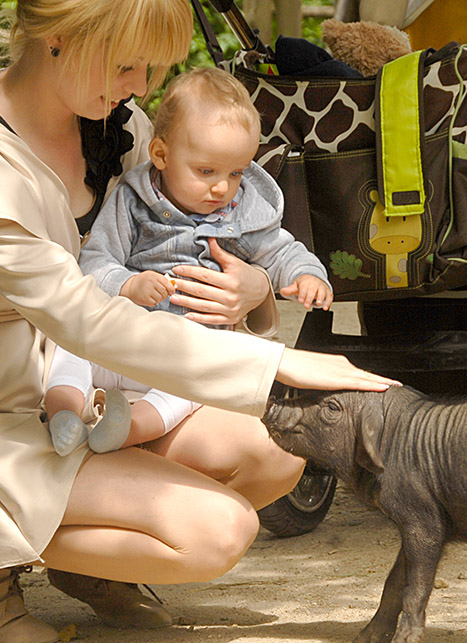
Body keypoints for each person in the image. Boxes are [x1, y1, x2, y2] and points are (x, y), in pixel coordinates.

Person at [0, 0, 394, 643]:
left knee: (280, 443)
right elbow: (81, 313)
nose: (142, 85)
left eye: (149, 66)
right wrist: (274, 365)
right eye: (127, 63)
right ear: (58, 37)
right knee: (218, 532)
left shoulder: (119, 124)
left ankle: (86, 561)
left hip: (109, 384)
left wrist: (252, 290)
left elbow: (178, 248)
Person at [46, 67, 334, 455]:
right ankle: (64, 409)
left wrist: (307, 274)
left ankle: (131, 427)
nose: (222, 187)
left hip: (189, 354)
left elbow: (281, 248)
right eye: (206, 171)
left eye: (236, 172)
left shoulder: (242, 210)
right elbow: (96, 260)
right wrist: (127, 284)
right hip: (124, 339)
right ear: (161, 154)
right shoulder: (132, 201)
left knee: (194, 384)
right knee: (70, 343)